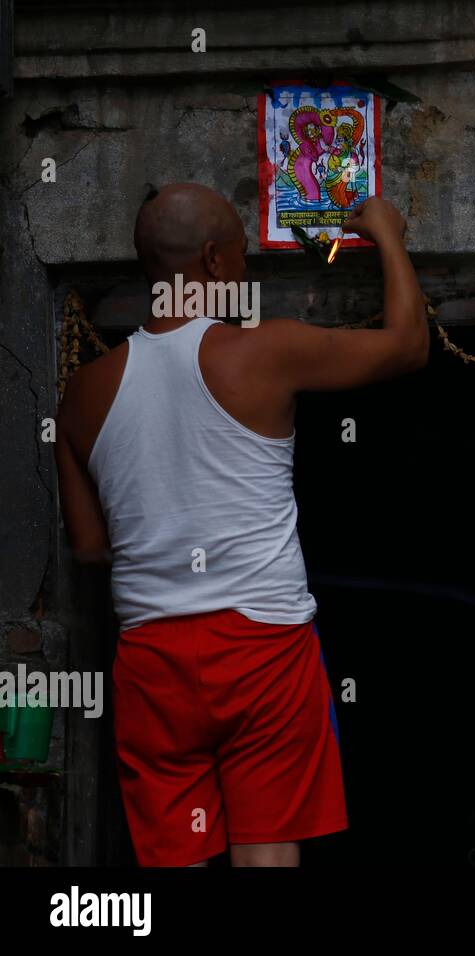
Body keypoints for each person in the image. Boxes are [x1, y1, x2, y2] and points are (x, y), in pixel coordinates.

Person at [54, 184, 429, 866]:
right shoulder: (265, 351)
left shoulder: (81, 393)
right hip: (263, 649)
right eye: (242, 256)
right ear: (214, 260)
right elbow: (407, 346)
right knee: (266, 856)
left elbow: (87, 549)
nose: (247, 270)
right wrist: (387, 233)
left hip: (152, 659)